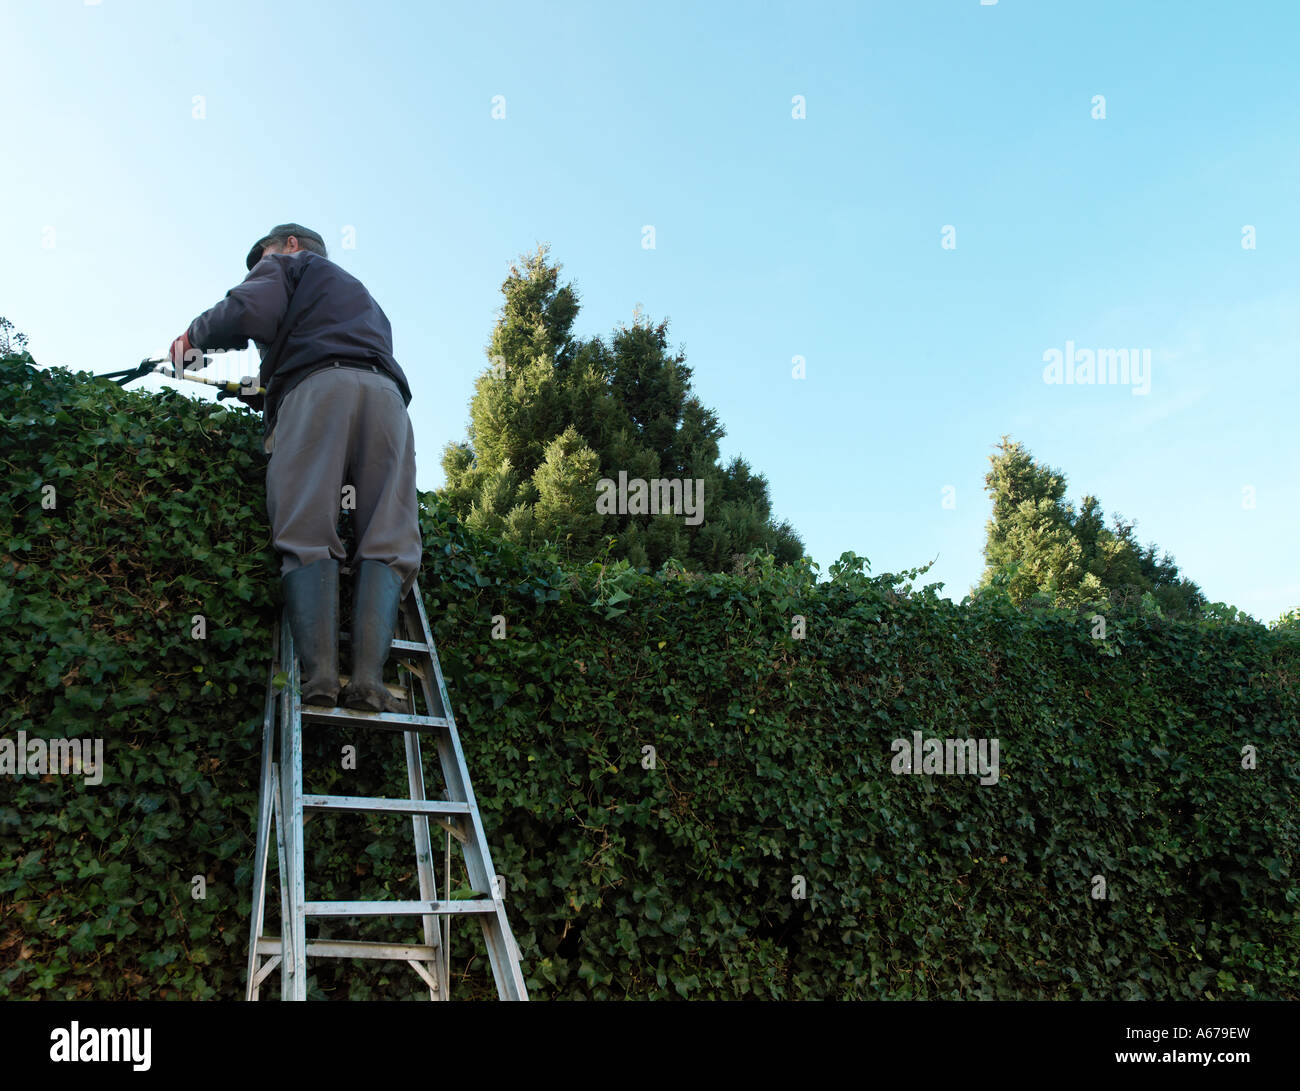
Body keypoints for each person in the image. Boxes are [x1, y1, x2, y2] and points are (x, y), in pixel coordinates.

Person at [167, 223, 420, 713]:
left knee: (305, 529)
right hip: (387, 401)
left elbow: (249, 309)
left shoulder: (288, 262)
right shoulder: (356, 294)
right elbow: (322, 350)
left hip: (319, 395)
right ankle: (369, 681)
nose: (259, 266)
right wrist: (262, 389)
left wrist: (190, 341)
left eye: (261, 256)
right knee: (389, 541)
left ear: (289, 244)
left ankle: (321, 677)